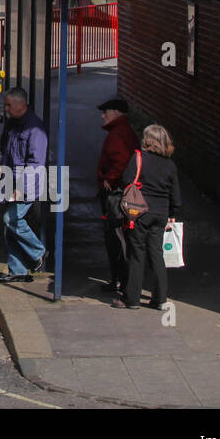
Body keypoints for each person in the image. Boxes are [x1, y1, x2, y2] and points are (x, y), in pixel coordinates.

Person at [115, 124, 181, 310]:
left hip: (140, 212)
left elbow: (127, 180)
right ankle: (160, 299)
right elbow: (175, 195)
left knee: (137, 254)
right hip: (161, 214)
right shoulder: (170, 166)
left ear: (148, 141)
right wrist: (173, 214)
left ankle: (132, 299)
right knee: (157, 255)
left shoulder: (139, 158)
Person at [0, 86, 48, 283]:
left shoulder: (35, 128)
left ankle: (38, 252)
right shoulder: (12, 124)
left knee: (12, 220)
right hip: (9, 181)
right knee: (9, 227)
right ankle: (18, 270)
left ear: (21, 104)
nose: (6, 108)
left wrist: (21, 188)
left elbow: (36, 162)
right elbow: (4, 149)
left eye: (9, 105)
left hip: (26, 184)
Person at [96, 98, 138, 295]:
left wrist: (109, 179)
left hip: (115, 194)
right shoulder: (124, 131)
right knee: (119, 238)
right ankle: (120, 279)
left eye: (106, 111)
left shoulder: (117, 134)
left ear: (116, 113)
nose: (103, 115)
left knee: (115, 237)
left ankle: (119, 280)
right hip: (122, 193)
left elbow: (121, 161)